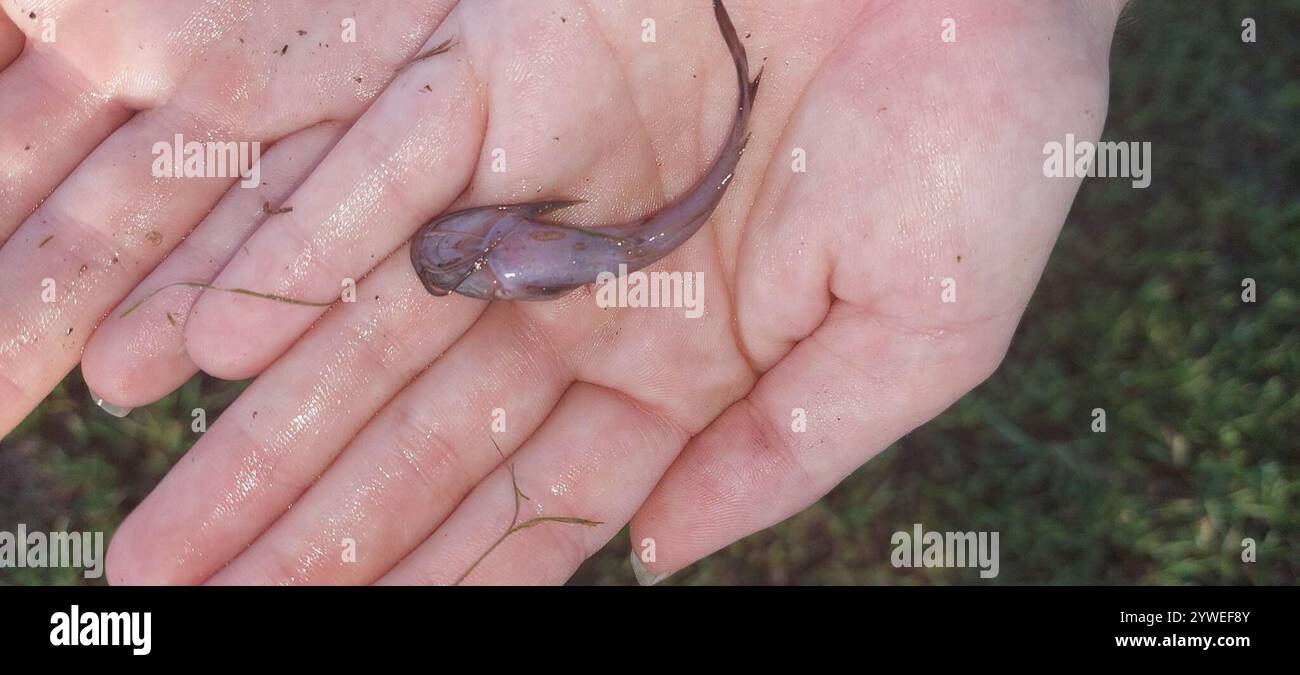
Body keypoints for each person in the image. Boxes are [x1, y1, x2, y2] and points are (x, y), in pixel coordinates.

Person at [0, 0, 1128, 584]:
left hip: (579, 240)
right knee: (659, 222)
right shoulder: (509, 254)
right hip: (574, 243)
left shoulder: (510, 254)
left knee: (666, 216)